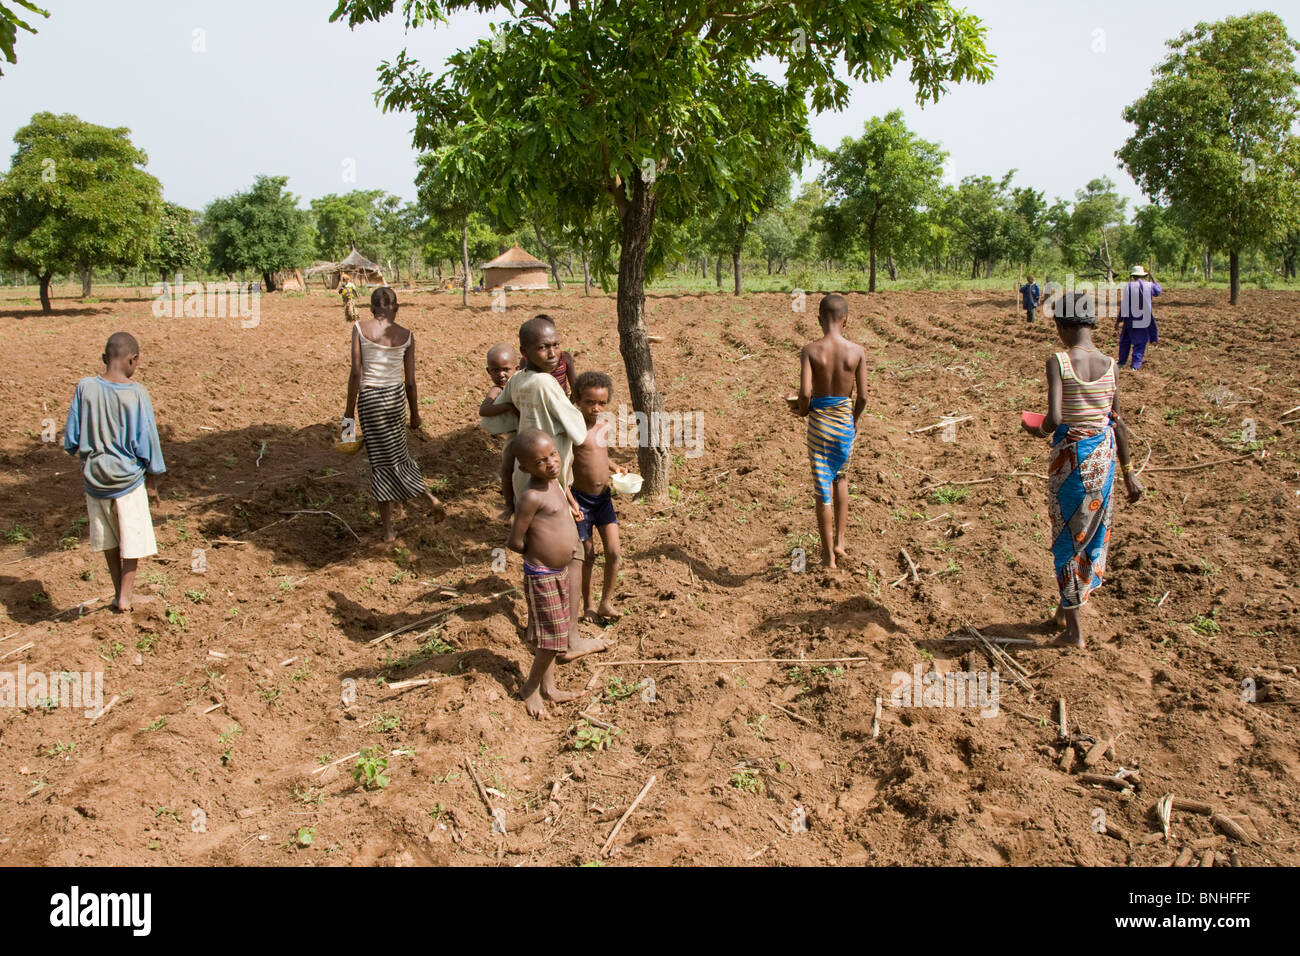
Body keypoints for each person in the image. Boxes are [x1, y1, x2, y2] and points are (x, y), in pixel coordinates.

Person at [1022, 290, 1144, 648]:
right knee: (1088, 534)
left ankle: (1074, 632)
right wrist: (1129, 471)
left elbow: (1056, 418)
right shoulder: (1110, 365)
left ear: (1061, 326)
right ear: (1091, 323)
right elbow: (1116, 422)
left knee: (1066, 541)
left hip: (1071, 465)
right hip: (1103, 463)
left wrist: (1036, 429)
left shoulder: (1059, 362)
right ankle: (1064, 610)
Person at [496, 315, 606, 662]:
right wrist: (575, 410)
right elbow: (576, 430)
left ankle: (537, 627)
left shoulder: (518, 380)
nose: (553, 352)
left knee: (536, 556)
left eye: (556, 344)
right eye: (543, 347)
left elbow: (491, 417)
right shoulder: (546, 384)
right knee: (571, 556)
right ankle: (569, 637)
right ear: (525, 352)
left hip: (525, 473)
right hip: (551, 481)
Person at [63, 332, 166, 612]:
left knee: (108, 539)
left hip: (94, 480)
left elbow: (71, 440)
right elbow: (148, 441)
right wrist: (152, 482)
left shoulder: (85, 388)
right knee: (132, 538)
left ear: (104, 358)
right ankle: (126, 596)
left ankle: (116, 592)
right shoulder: (137, 393)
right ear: (133, 360)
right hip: (128, 481)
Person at [344, 287, 444, 541]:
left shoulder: (359, 329)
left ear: (372, 308)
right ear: (396, 308)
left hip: (371, 400)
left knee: (380, 462)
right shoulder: (407, 335)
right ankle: (427, 498)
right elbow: (410, 382)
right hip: (395, 399)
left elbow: (356, 373)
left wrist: (348, 414)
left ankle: (390, 528)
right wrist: (415, 414)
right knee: (398, 453)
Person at [505, 430, 587, 719]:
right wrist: (539, 552)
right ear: (525, 468)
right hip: (542, 575)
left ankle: (549, 687)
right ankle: (529, 687)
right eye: (541, 461)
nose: (552, 462)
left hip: (559, 570)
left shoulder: (555, 482)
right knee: (551, 639)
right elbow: (515, 541)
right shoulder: (530, 497)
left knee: (556, 632)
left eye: (553, 453)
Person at [787, 294, 868, 569]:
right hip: (844, 423)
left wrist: (802, 410)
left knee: (822, 486)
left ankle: (827, 557)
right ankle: (840, 543)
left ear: (819, 319)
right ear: (846, 320)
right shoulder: (856, 351)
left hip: (819, 425)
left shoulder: (810, 351)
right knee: (841, 478)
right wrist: (853, 420)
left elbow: (805, 393)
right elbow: (864, 397)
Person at [569, 371, 625, 624]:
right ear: (578, 401)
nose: (596, 408)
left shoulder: (603, 426)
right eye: (590, 402)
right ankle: (588, 605)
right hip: (581, 501)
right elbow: (566, 468)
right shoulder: (573, 431)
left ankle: (606, 602)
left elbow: (599, 455)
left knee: (614, 552)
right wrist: (570, 501)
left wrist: (615, 468)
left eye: (601, 403)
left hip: (603, 499)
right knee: (588, 556)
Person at [1116, 265, 1161, 370]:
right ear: (1143, 276)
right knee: (1140, 342)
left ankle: (1121, 363)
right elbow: (1158, 291)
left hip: (1130, 318)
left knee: (1125, 341)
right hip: (1144, 318)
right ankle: (1135, 366)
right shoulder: (1150, 285)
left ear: (1133, 276)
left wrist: (1119, 320)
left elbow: (1125, 305)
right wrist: (1153, 278)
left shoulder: (1129, 286)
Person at [478, 343, 522, 439]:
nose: (501, 374)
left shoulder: (519, 386)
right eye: (495, 370)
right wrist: (507, 406)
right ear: (489, 371)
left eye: (506, 369)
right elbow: (483, 410)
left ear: (517, 369)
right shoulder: (497, 389)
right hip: (505, 433)